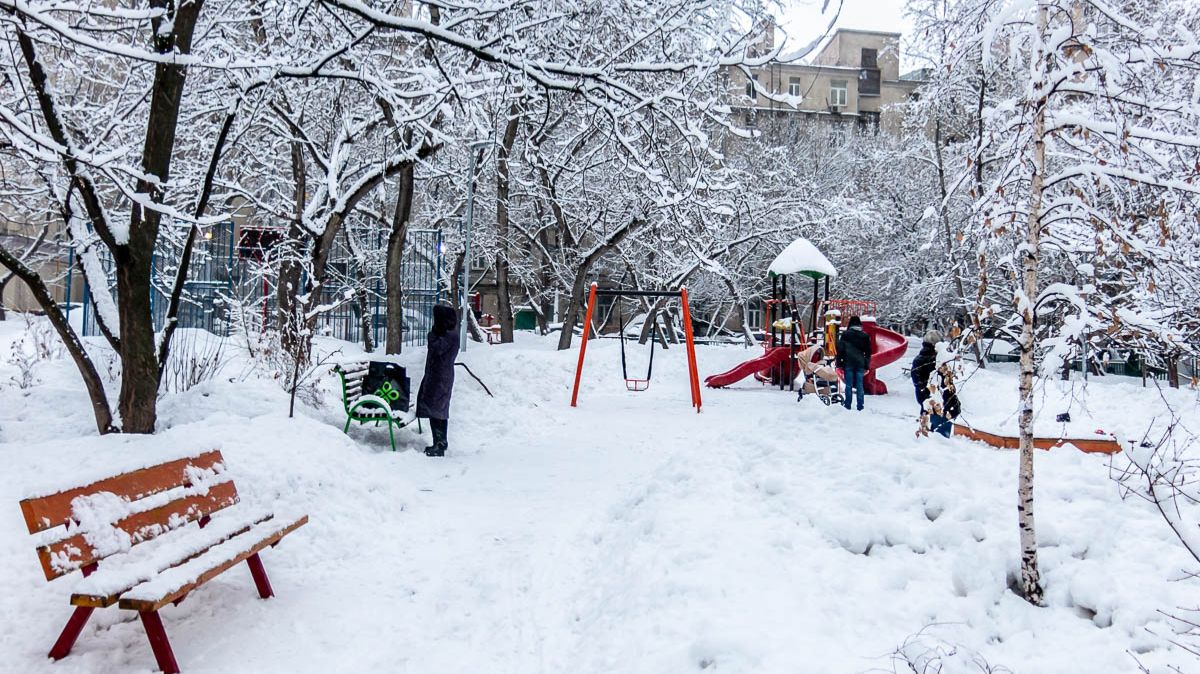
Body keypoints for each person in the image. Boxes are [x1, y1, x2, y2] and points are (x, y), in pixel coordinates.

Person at [416, 304, 460, 457]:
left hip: (440, 377)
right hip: (438, 375)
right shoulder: (449, 333)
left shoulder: (448, 335)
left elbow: (436, 348)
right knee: (437, 409)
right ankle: (440, 442)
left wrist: (432, 335)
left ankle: (439, 444)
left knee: (437, 410)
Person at [836, 315, 871, 411]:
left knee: (848, 385)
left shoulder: (846, 335)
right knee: (860, 385)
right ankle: (860, 406)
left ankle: (847, 405)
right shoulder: (865, 336)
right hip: (860, 363)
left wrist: (839, 363)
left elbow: (840, 350)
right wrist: (866, 365)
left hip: (848, 363)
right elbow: (868, 352)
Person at [910, 331, 941, 416]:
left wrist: (921, 388)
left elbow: (915, 376)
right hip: (932, 393)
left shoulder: (918, 359)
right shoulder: (935, 359)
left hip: (922, 393)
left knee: (926, 414)